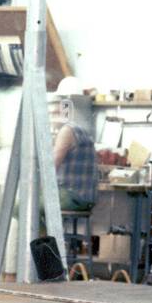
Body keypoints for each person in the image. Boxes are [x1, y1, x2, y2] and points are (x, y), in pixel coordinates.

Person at [52, 76, 96, 213]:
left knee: (22, 205)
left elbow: (51, 167)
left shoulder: (67, 131)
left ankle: (42, 235)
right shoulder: (84, 131)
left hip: (71, 197)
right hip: (86, 198)